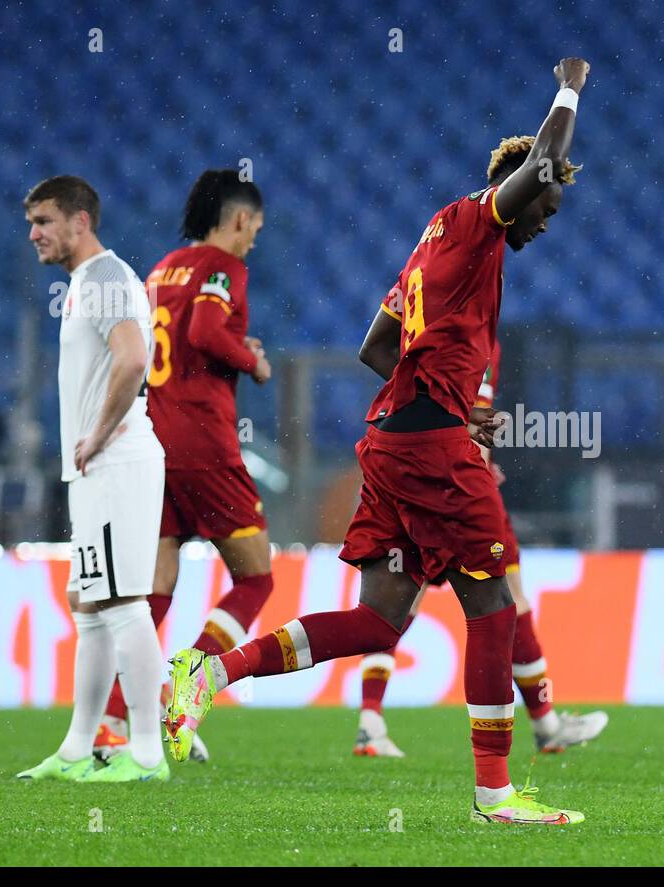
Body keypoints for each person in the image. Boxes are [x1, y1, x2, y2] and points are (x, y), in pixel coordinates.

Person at [166, 58, 592, 825]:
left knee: (378, 622)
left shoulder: (436, 241)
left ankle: (209, 673)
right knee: (493, 603)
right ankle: (496, 794)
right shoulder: (479, 219)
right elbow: (542, 161)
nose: (545, 219)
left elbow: (375, 347)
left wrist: (447, 402)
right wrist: (570, 86)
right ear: (520, 188)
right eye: (546, 205)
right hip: (428, 451)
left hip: (398, 439)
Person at [352, 339, 607, 758]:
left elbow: (398, 382)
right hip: (458, 488)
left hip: (403, 474)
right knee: (510, 599)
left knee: (397, 604)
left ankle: (369, 718)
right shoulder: (473, 335)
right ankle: (545, 725)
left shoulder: (419, 322)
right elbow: (472, 419)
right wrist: (481, 472)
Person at [93, 170, 272, 764]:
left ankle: (112, 721)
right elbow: (205, 329)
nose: (253, 243)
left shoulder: (160, 269)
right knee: (256, 577)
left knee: (156, 591)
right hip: (203, 442)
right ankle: (188, 684)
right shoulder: (225, 269)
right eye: (254, 230)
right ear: (240, 219)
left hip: (154, 437)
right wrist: (253, 361)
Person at [16, 175, 169, 783]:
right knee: (89, 602)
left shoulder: (104, 277)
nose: (34, 234)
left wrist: (100, 434)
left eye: (45, 221)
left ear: (81, 221)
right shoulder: (89, 282)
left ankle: (148, 754)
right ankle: (79, 748)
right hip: (96, 467)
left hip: (117, 461)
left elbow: (134, 358)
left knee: (123, 601)